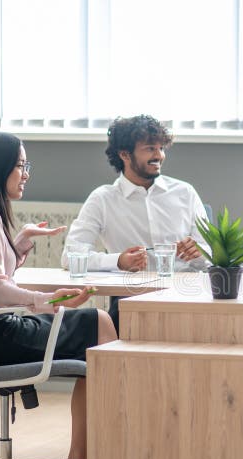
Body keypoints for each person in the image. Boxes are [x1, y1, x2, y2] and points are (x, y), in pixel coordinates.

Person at [0, 131, 117, 459]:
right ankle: (86, 457)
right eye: (21, 165)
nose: (26, 173)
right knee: (99, 323)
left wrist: (20, 242)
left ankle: (82, 456)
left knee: (94, 332)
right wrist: (48, 301)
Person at [62, 114, 210, 329]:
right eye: (150, 148)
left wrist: (200, 252)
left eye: (162, 148)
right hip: (130, 301)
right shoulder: (102, 199)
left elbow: (211, 256)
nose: (159, 155)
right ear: (124, 154)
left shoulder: (185, 192)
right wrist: (118, 261)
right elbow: (70, 256)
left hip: (184, 297)